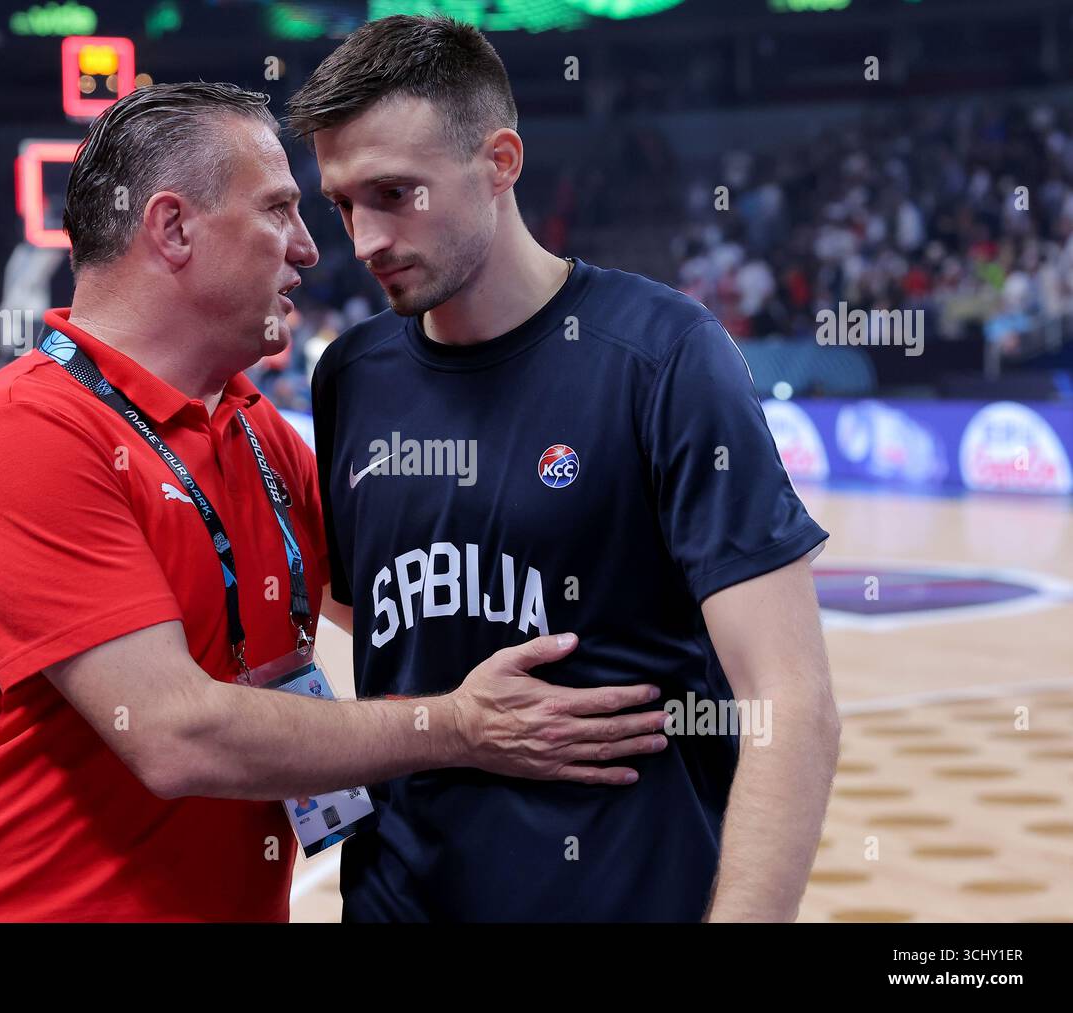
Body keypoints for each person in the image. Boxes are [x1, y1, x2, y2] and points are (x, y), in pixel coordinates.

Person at [0, 81, 667, 922]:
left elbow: (408, 597)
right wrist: (460, 726)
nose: (308, 248)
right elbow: (174, 733)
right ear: (174, 228)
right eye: (278, 210)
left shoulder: (255, 429)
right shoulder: (25, 432)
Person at [289, 16, 841, 922]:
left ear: (500, 161)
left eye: (396, 193)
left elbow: (793, 703)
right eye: (344, 204)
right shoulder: (351, 374)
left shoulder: (664, 354)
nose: (366, 238)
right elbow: (372, 614)